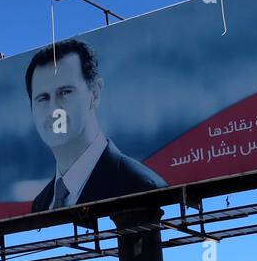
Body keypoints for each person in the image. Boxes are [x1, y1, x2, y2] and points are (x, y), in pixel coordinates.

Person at [25, 38, 166, 212]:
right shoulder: (41, 203)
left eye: (65, 92)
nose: (54, 109)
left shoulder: (140, 186)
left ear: (95, 93)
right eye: (43, 98)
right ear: (31, 108)